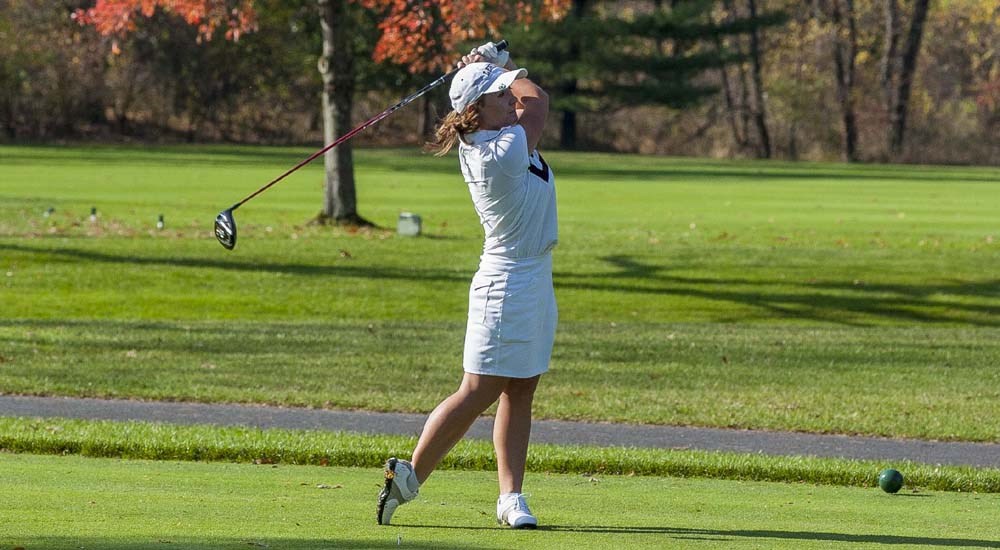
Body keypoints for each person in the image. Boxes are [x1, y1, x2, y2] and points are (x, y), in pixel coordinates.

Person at [376, 41, 557, 530]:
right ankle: (409, 477)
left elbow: (522, 102)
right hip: (506, 281)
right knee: (479, 389)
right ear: (479, 110)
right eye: (501, 95)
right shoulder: (500, 150)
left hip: (534, 276)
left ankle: (510, 498)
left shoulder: (497, 133)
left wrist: (487, 71)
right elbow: (537, 99)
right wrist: (492, 66)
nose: (511, 100)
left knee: (522, 387)